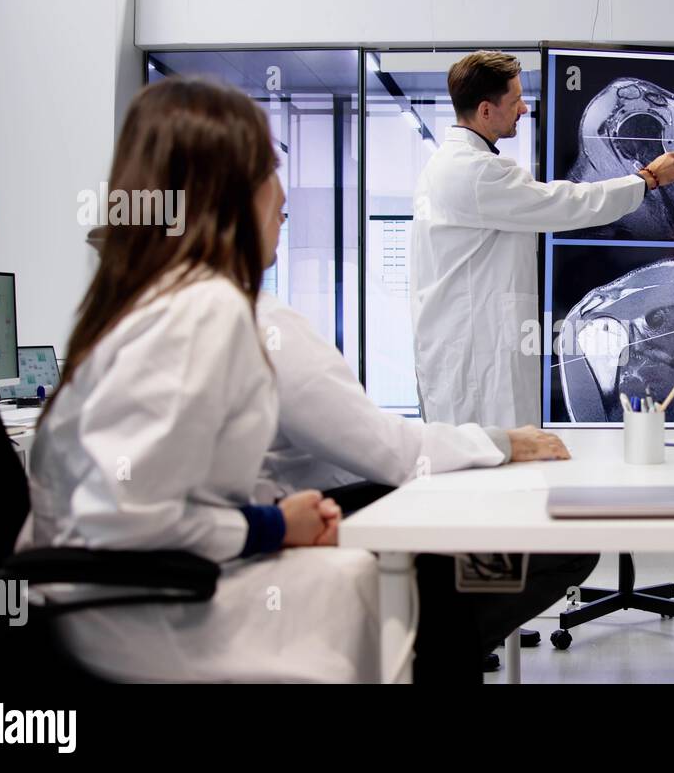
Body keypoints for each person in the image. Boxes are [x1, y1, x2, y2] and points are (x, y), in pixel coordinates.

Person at [25, 77, 376, 682]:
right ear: (230, 192)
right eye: (269, 170)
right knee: (364, 584)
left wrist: (272, 515)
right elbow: (126, 517)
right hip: (138, 618)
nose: (282, 195)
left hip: (96, 602)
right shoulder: (205, 308)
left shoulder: (142, 301)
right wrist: (272, 526)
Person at [253, 290, 595, 682]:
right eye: (277, 219)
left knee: (470, 540)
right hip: (302, 513)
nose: (281, 223)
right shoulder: (263, 323)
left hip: (308, 498)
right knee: (561, 543)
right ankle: (427, 653)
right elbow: (384, 448)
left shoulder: (228, 315)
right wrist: (500, 442)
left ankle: (435, 646)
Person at [410, 50, 674, 427]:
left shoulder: (447, 168)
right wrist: (646, 179)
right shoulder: (472, 173)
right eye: (515, 100)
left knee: (487, 462)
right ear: (486, 111)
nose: (523, 108)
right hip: (476, 359)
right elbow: (565, 204)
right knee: (491, 465)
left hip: (467, 347)